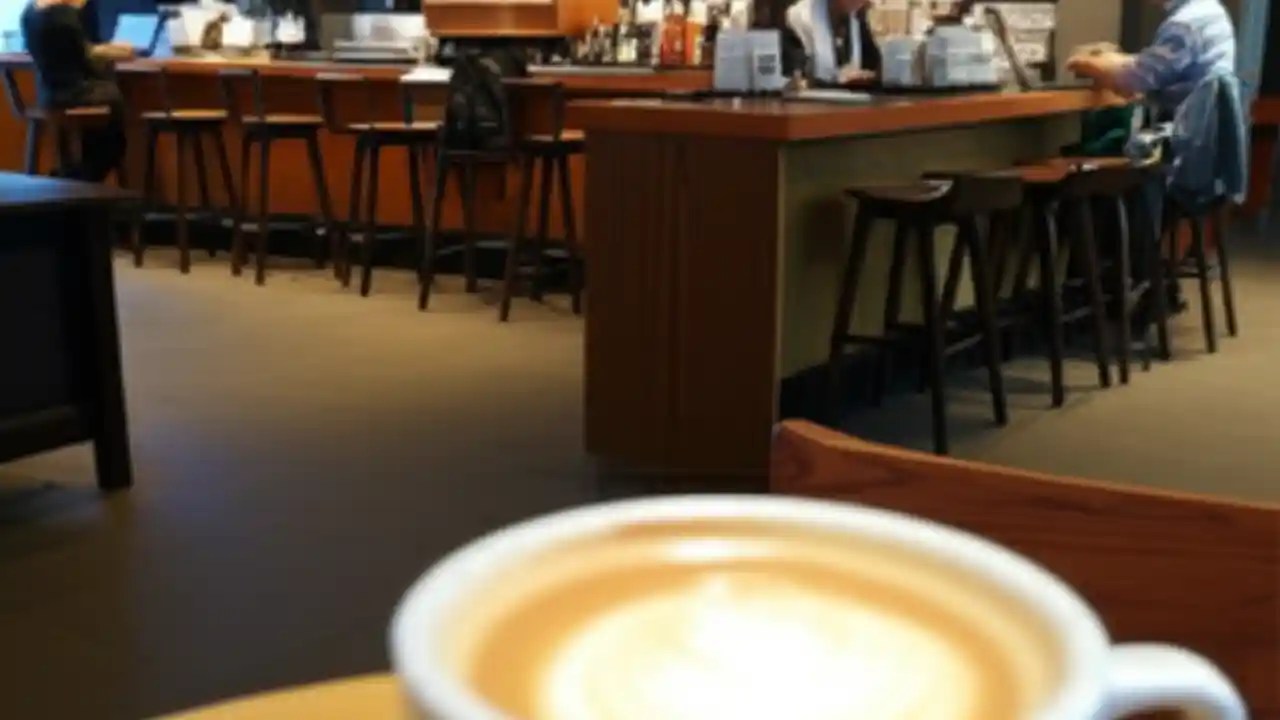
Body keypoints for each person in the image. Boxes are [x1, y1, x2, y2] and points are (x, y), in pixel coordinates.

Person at [20, 0, 134, 182]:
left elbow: (73, 52)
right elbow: (85, 58)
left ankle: (71, 176)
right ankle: (77, 180)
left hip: (49, 95)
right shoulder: (64, 16)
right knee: (113, 100)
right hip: (74, 94)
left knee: (101, 118)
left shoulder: (30, 13)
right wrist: (117, 52)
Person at [1066, 0, 1236, 114]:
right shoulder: (1211, 10)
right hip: (1205, 132)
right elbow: (1162, 64)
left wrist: (1087, 63)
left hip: (1185, 135)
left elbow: (1141, 77)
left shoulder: (1184, 24)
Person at [783, 0, 881, 86]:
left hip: (854, 102)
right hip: (813, 102)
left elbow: (873, 66)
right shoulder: (799, 17)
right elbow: (796, 75)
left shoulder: (858, 18)